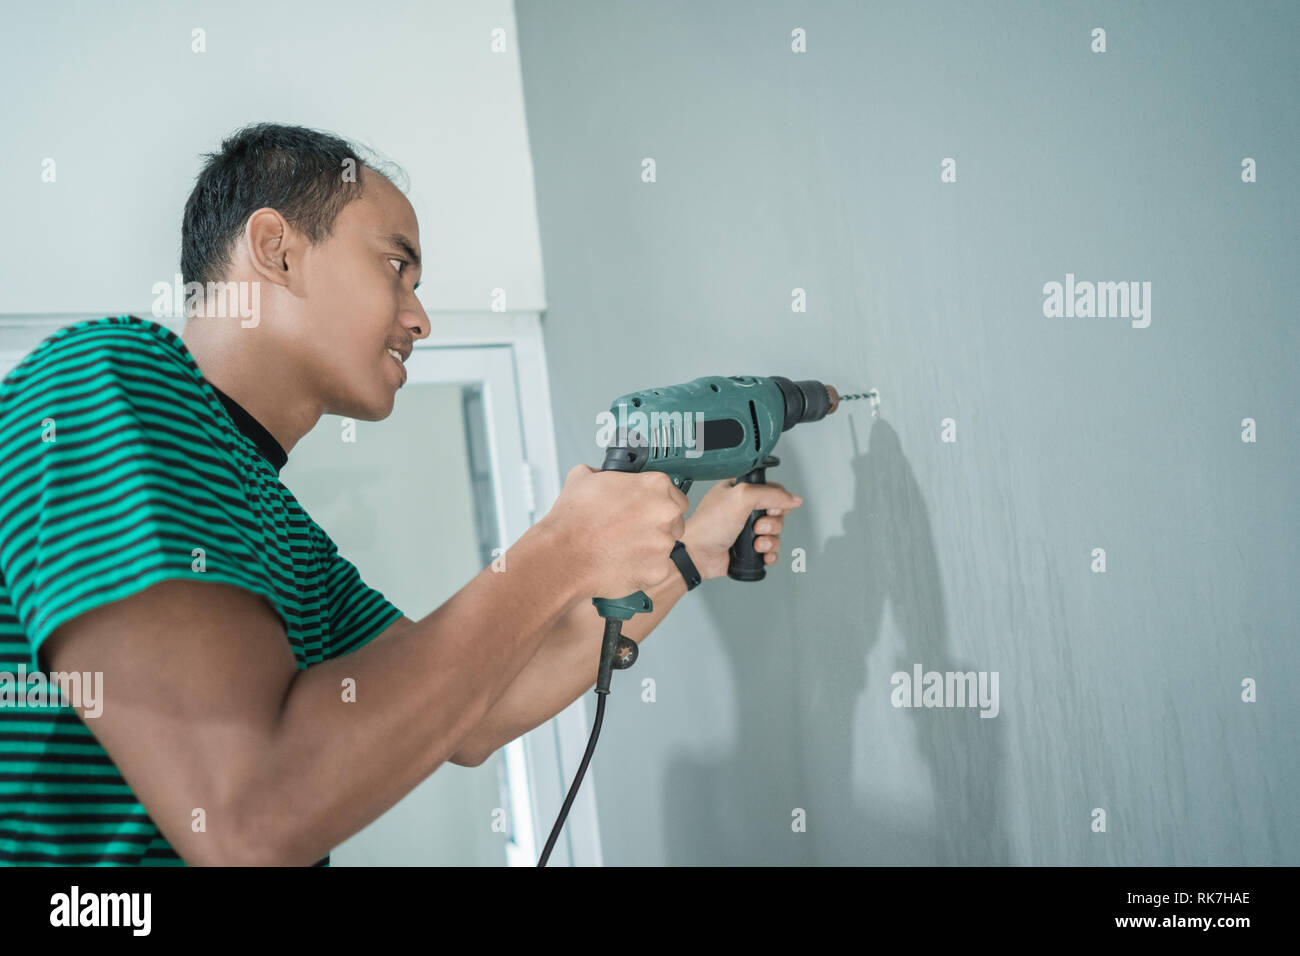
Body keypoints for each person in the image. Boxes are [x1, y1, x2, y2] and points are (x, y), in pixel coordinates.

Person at [0, 123, 801, 866]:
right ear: (276, 250)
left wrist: (687, 560)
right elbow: (247, 817)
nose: (420, 319)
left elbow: (480, 711)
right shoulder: (107, 378)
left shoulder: (288, 539)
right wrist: (562, 547)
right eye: (396, 266)